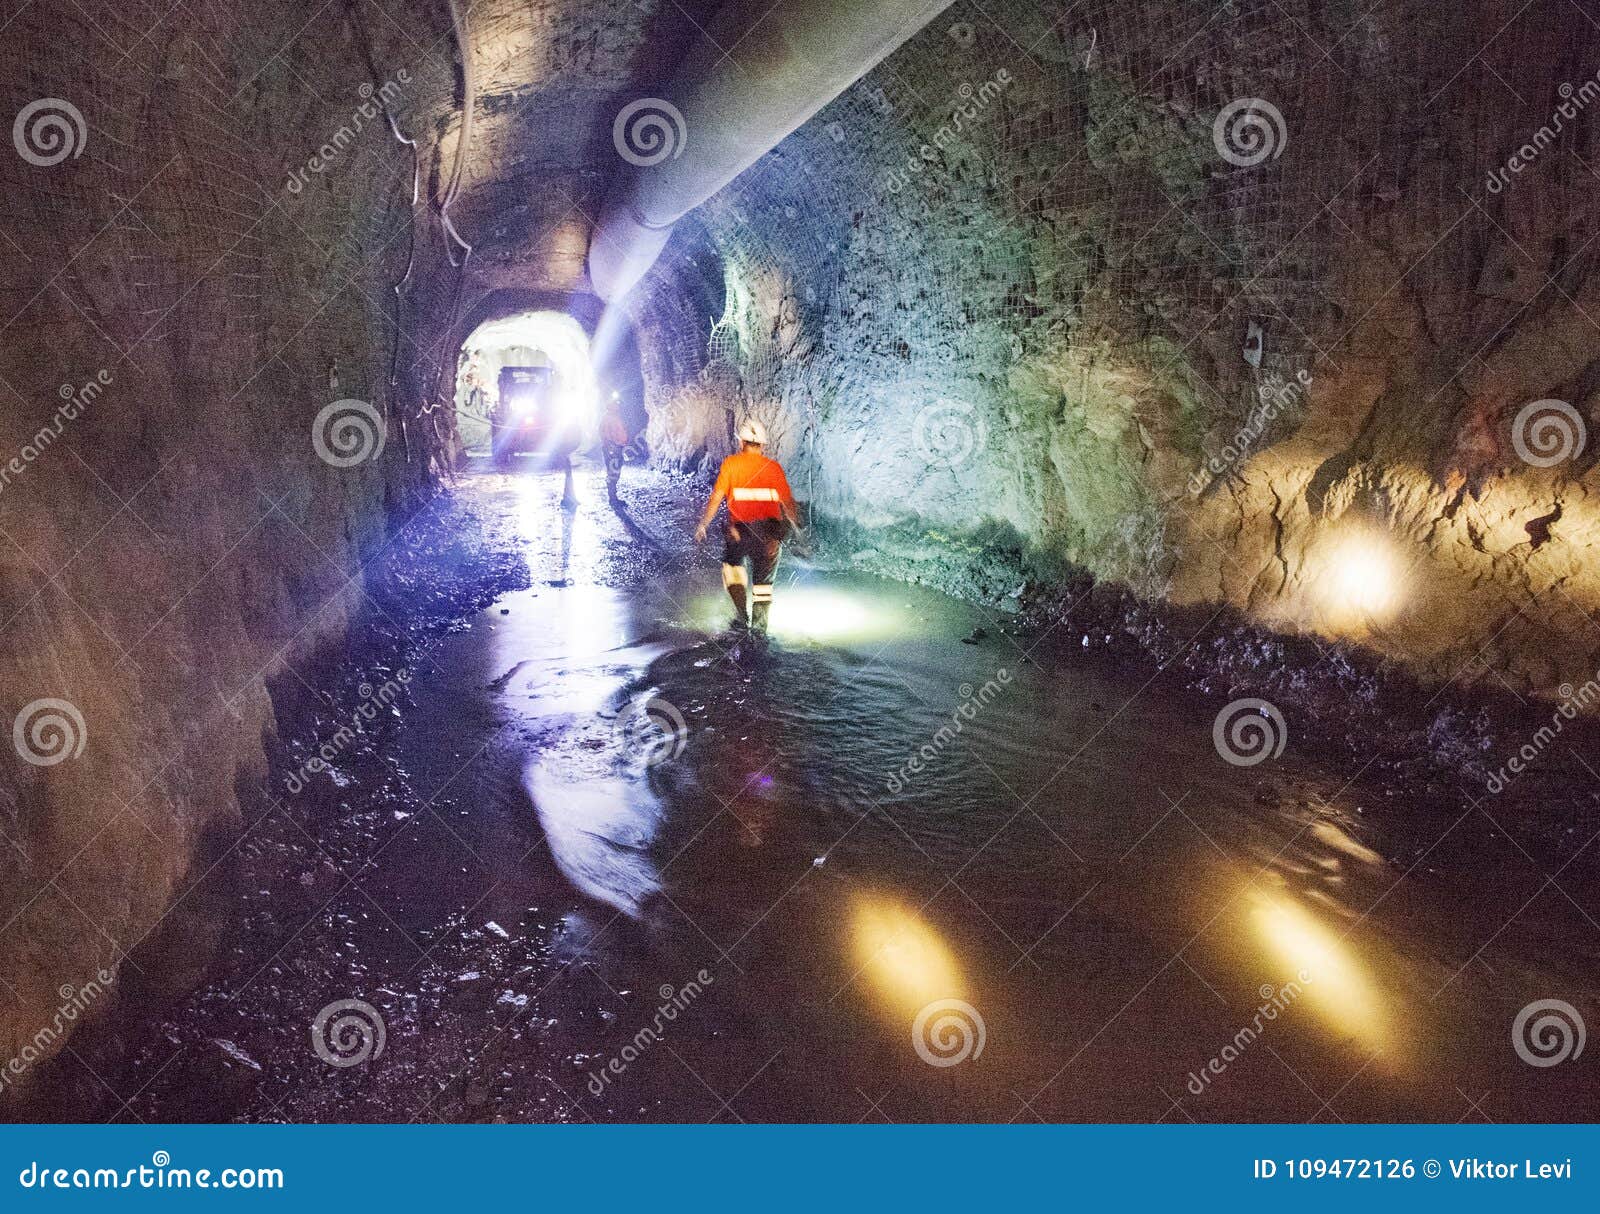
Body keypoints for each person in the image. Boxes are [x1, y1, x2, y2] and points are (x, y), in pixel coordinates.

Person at [694, 418, 801, 633]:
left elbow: (717, 496)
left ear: (741, 443)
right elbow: (788, 503)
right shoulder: (774, 468)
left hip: (740, 531)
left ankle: (742, 618)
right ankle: (760, 630)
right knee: (763, 585)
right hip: (770, 532)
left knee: (731, 570)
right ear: (763, 445)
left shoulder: (731, 464)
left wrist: (703, 524)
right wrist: (797, 529)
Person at [600, 393, 629, 503]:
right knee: (613, 472)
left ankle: (613, 497)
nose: (618, 406)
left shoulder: (613, 418)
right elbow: (605, 434)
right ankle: (612, 498)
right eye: (615, 404)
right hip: (612, 448)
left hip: (616, 447)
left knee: (614, 472)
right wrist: (611, 447)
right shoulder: (608, 418)